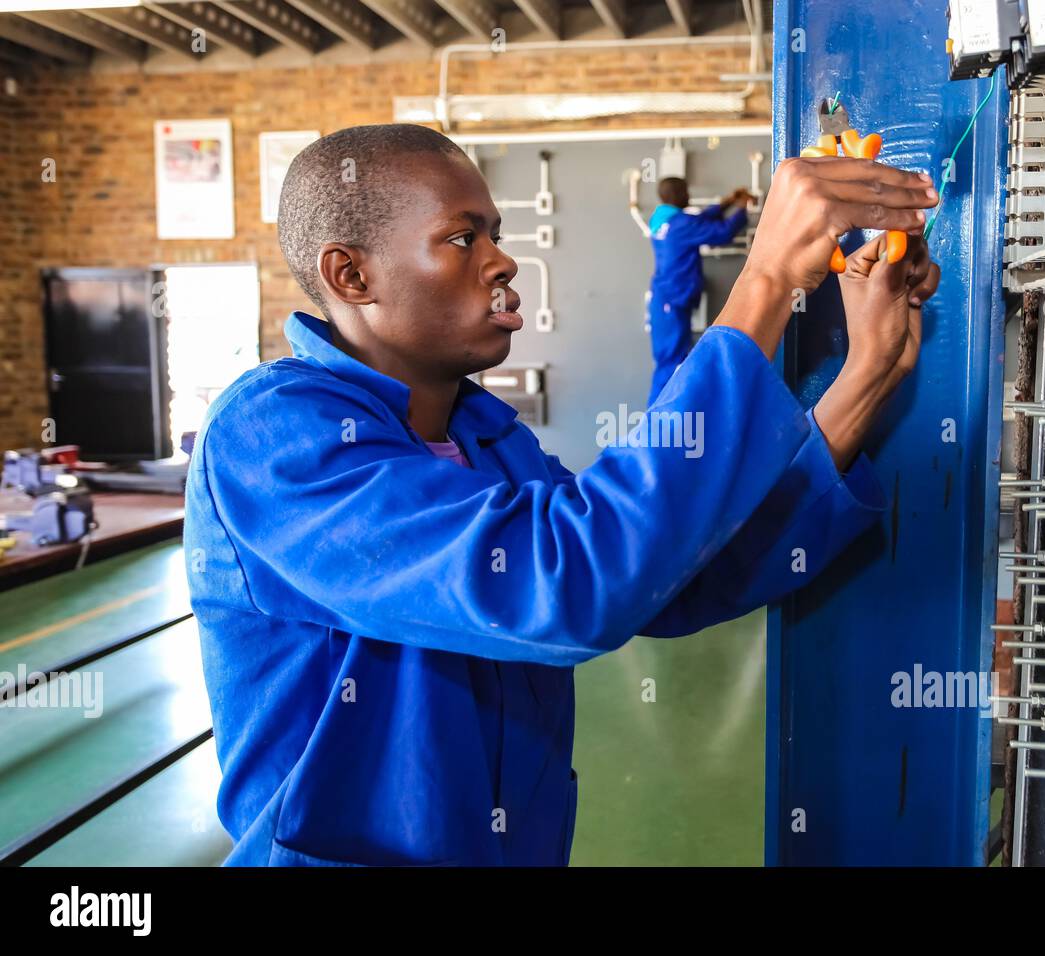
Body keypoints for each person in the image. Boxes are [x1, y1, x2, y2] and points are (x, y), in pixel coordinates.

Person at [183, 123, 939, 866]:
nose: (501, 260)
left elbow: (668, 575)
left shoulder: (488, 439)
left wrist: (869, 373)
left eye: (496, 234)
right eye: (462, 238)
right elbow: (570, 582)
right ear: (352, 276)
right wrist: (766, 278)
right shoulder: (273, 435)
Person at [645, 178, 754, 404]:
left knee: (672, 360)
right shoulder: (680, 224)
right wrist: (743, 208)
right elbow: (722, 233)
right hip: (672, 301)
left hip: (668, 299)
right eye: (685, 192)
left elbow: (699, 220)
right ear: (678, 194)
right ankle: (655, 422)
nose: (689, 196)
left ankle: (664, 419)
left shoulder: (662, 219)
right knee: (671, 362)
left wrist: (729, 202)